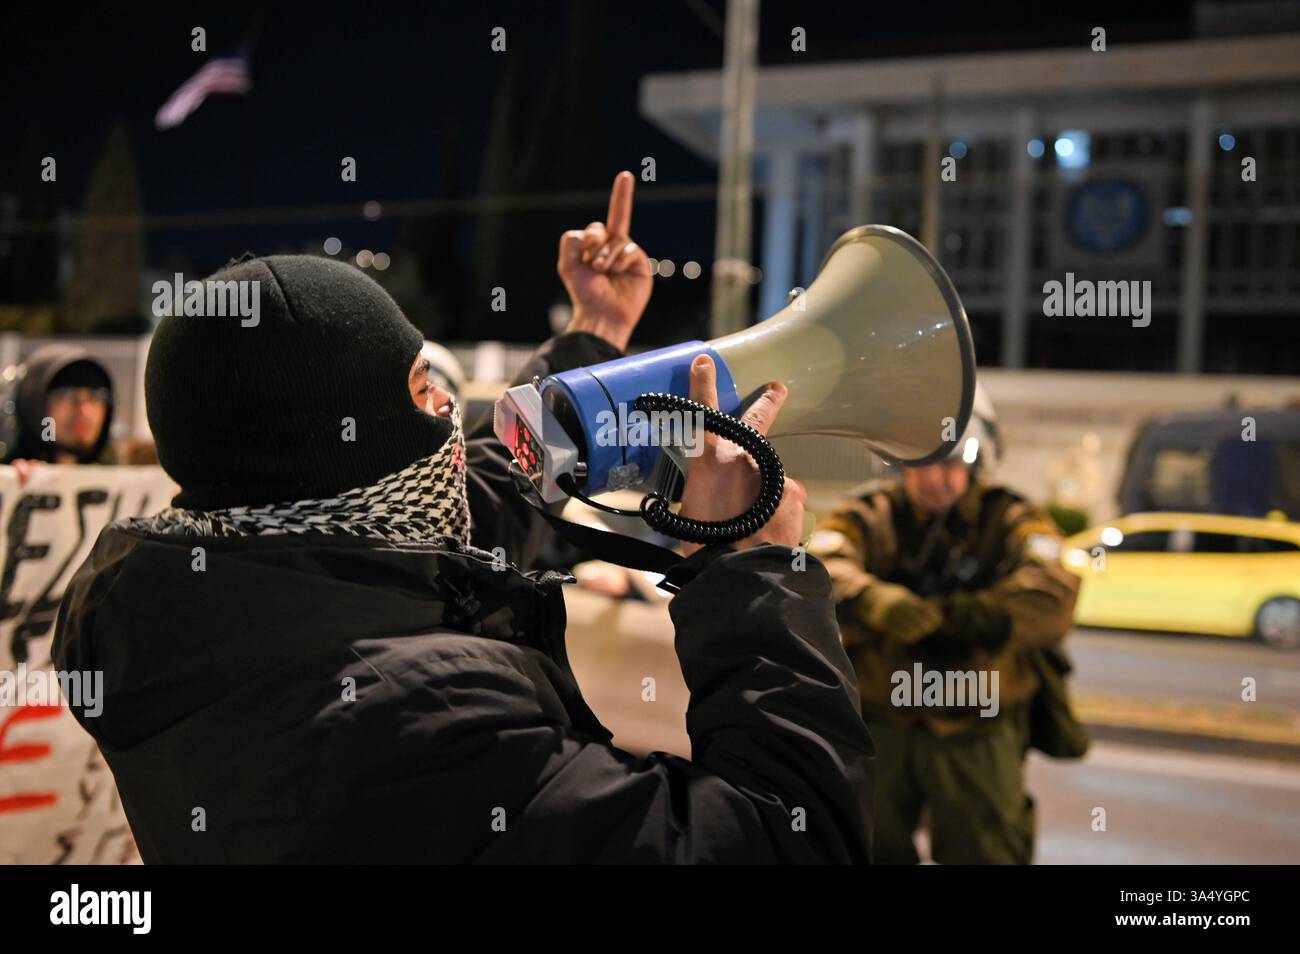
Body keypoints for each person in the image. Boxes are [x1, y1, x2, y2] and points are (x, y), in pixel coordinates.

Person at [54, 172, 873, 864]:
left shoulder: (200, 596)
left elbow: (473, 503)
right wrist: (755, 572)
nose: (450, 409)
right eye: (419, 390)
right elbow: (789, 836)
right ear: (343, 451)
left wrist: (593, 338)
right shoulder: (419, 726)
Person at [806, 386, 1079, 864]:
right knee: (862, 847)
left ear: (976, 465)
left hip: (978, 728)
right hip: (880, 723)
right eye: (924, 463)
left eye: (952, 464)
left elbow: (1053, 592)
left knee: (987, 850)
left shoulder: (1012, 517)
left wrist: (974, 617)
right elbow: (820, 566)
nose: (937, 478)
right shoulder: (868, 515)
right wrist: (873, 601)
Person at [1, 343, 115, 484]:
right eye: (66, 394)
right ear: (33, 402)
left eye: (96, 397)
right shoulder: (9, 476)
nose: (84, 411)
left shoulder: (119, 487)